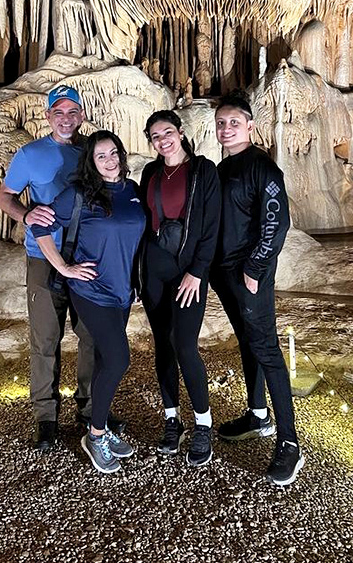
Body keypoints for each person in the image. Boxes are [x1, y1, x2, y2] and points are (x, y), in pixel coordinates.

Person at [0, 85, 122, 453]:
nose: (66, 119)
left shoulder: (92, 151)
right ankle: (46, 417)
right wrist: (25, 214)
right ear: (48, 116)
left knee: (91, 336)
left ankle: (90, 407)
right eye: (58, 112)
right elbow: (5, 197)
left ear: (81, 115)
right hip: (43, 258)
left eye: (72, 112)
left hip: (86, 259)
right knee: (45, 339)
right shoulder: (30, 154)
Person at [31, 131, 146, 474]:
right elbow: (40, 227)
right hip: (91, 291)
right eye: (101, 156)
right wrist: (63, 267)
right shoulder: (79, 194)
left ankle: (100, 423)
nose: (109, 160)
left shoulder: (132, 190)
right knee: (119, 358)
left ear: (121, 155)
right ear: (91, 163)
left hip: (122, 291)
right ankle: (95, 435)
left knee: (103, 358)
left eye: (113, 153)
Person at [211, 90, 304, 486]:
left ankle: (289, 443)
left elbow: (276, 224)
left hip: (249, 273)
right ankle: (257, 415)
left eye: (234, 122)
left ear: (250, 126)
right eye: (221, 123)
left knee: (265, 348)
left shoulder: (262, 168)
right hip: (223, 272)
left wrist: (255, 268)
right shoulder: (223, 168)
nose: (226, 129)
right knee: (248, 342)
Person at [139, 111, 221, 467]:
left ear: (181, 132)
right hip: (155, 271)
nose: (163, 140)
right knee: (162, 345)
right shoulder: (150, 173)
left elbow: (212, 227)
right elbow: (144, 225)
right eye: (155, 136)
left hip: (187, 272)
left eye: (167, 132)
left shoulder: (203, 170)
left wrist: (197, 272)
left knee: (185, 345)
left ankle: (203, 423)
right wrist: (138, 275)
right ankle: (172, 418)